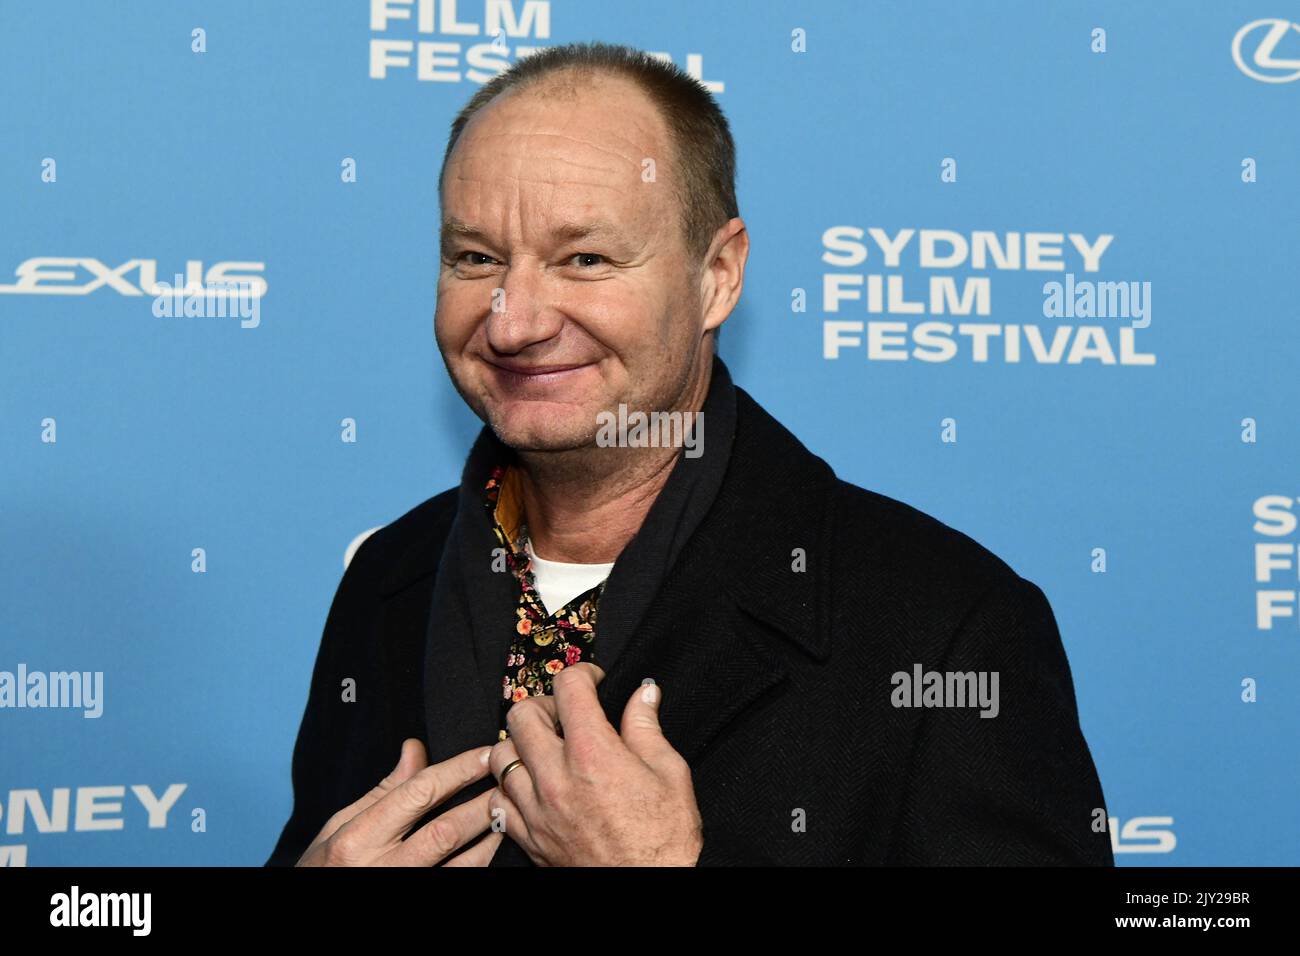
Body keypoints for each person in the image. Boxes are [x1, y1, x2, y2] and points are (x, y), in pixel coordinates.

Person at [266, 41, 1113, 867]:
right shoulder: (391, 579)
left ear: (718, 276)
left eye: (585, 259)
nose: (513, 319)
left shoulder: (945, 626)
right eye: (476, 257)